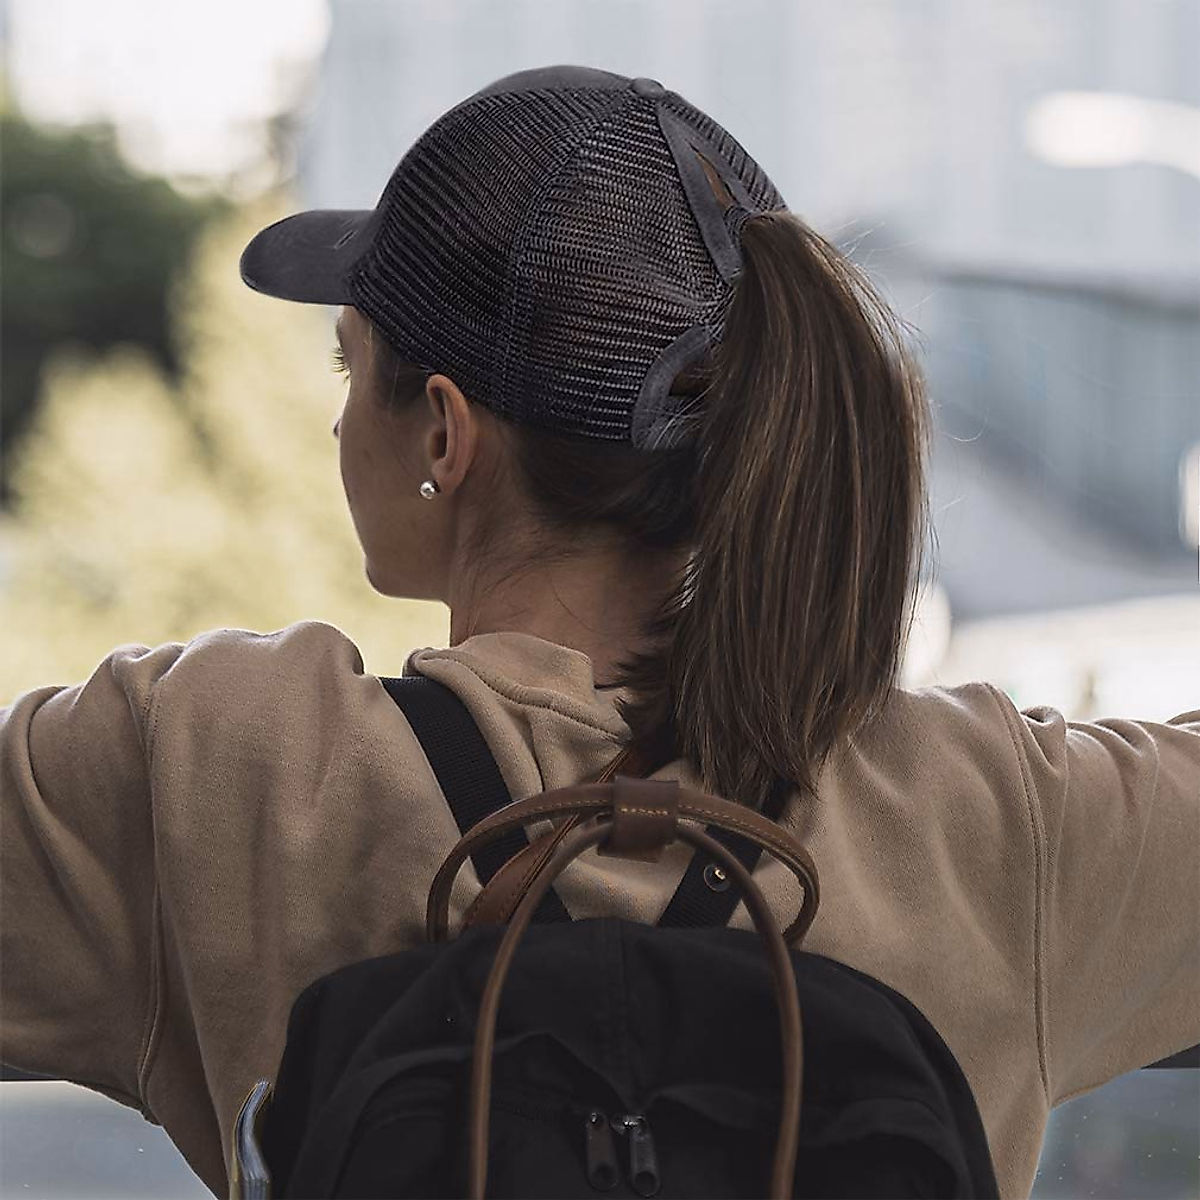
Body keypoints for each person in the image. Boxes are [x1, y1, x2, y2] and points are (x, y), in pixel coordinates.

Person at [1, 64, 1197, 1200]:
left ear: (442, 437)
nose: (329, 426)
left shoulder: (208, 768)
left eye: (346, 362)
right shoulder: (991, 819)